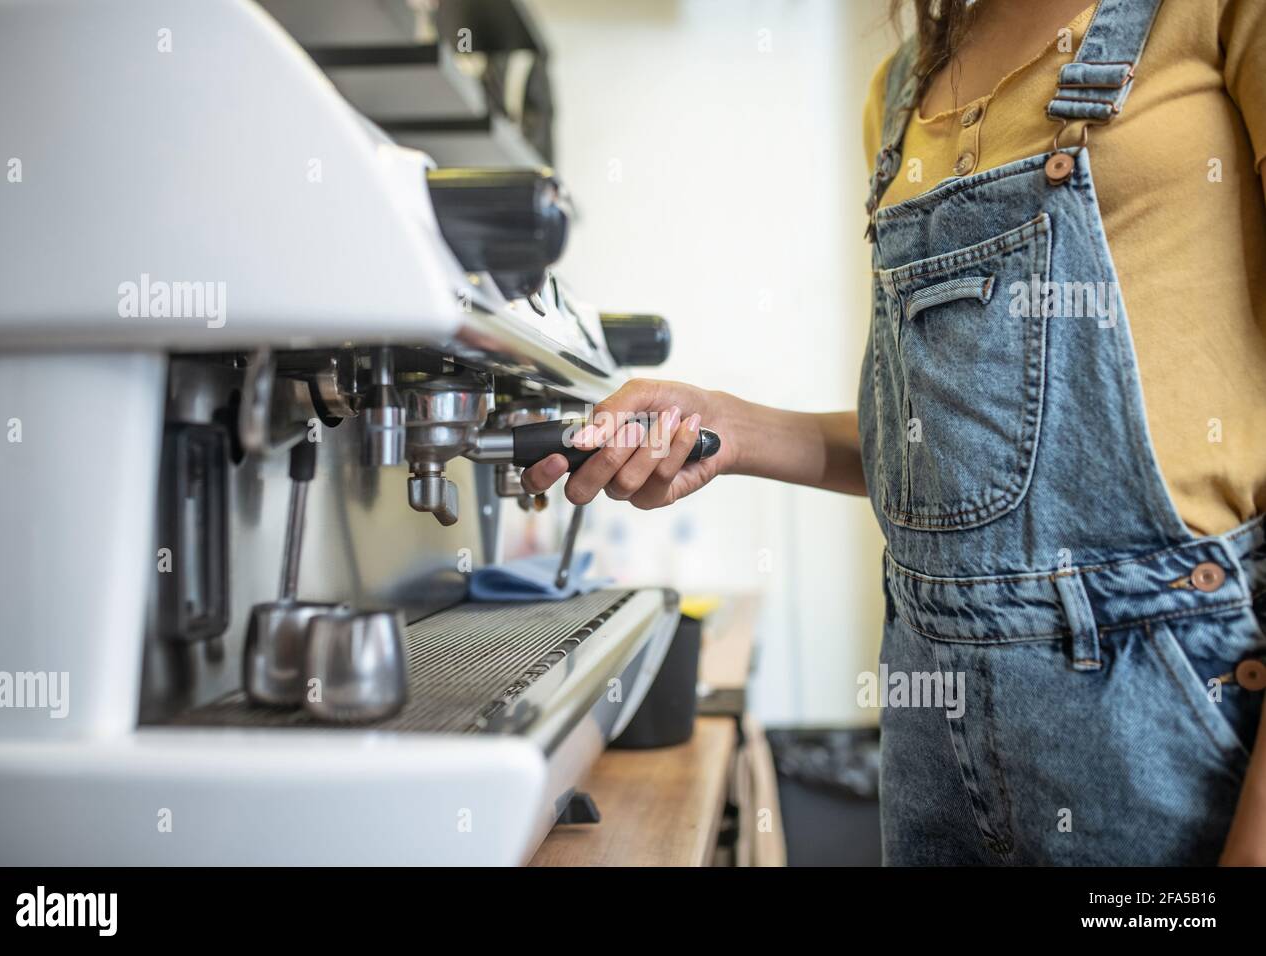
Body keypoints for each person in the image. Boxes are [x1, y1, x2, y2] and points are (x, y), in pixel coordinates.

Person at [521, 0, 1266, 865]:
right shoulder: (901, 88)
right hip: (928, 713)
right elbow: (948, 456)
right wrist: (723, 425)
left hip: (1164, 701)